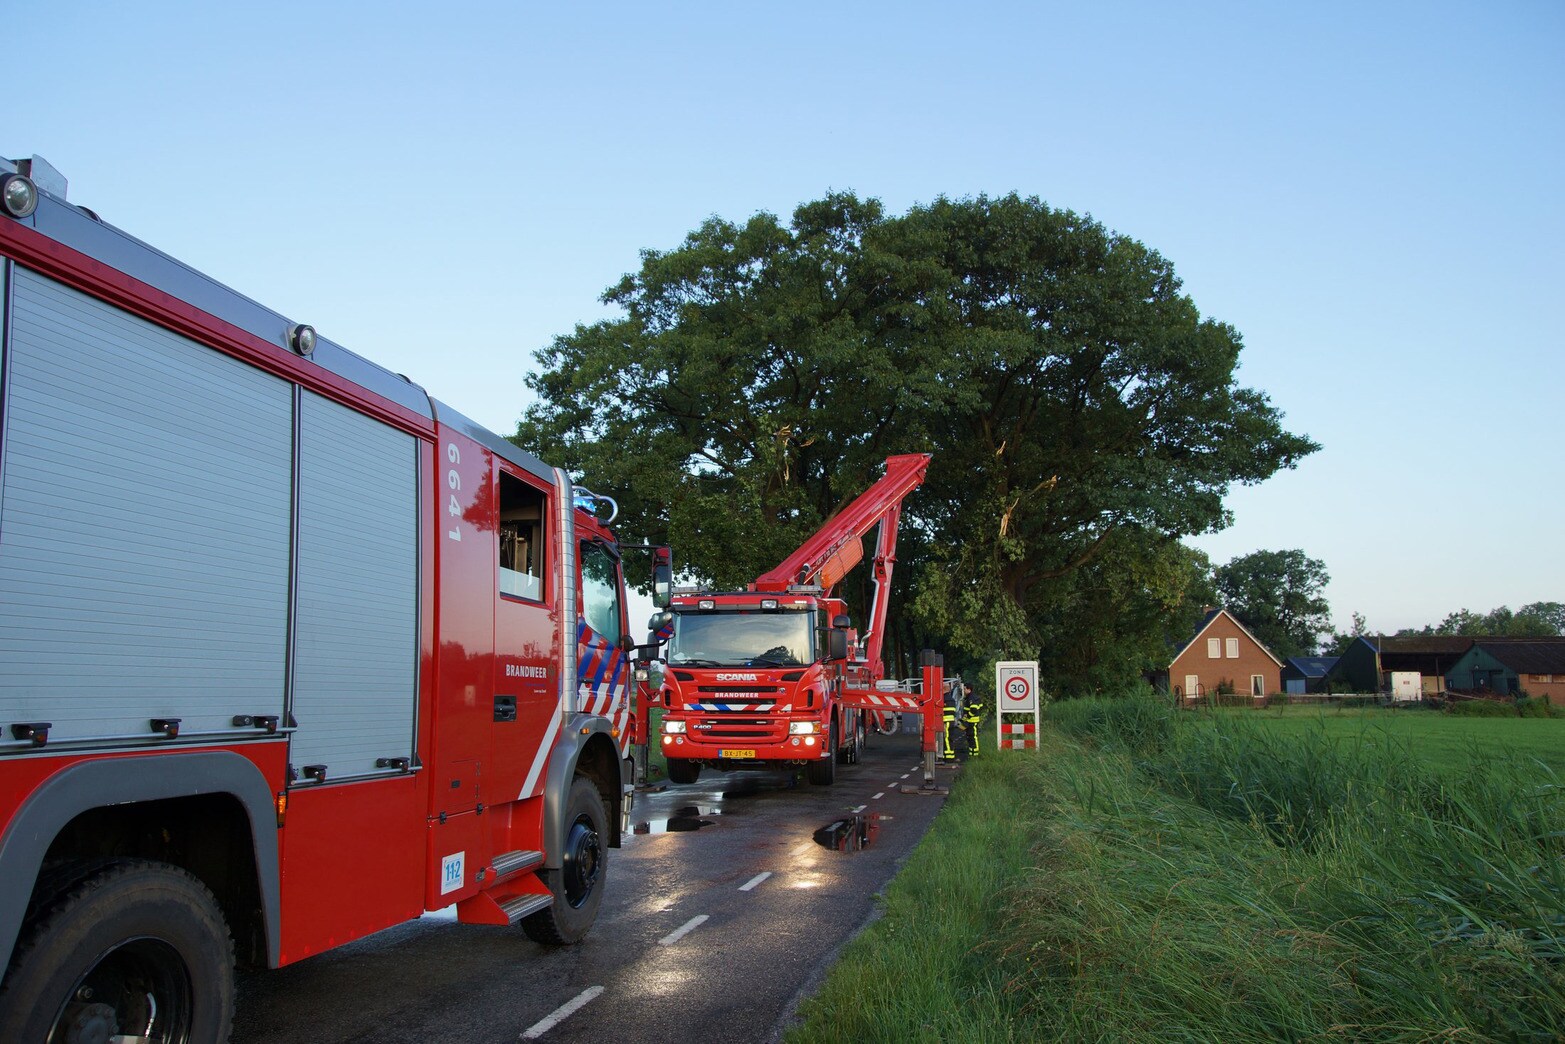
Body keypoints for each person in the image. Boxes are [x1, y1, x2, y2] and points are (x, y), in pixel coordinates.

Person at [961, 682, 982, 758]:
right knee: (970, 737)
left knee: (973, 737)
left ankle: (975, 754)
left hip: (973, 721)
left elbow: (973, 710)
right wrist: (963, 720)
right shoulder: (969, 697)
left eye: (964, 689)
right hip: (970, 721)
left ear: (969, 689)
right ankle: (971, 754)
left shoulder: (972, 698)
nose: (963, 690)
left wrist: (967, 717)